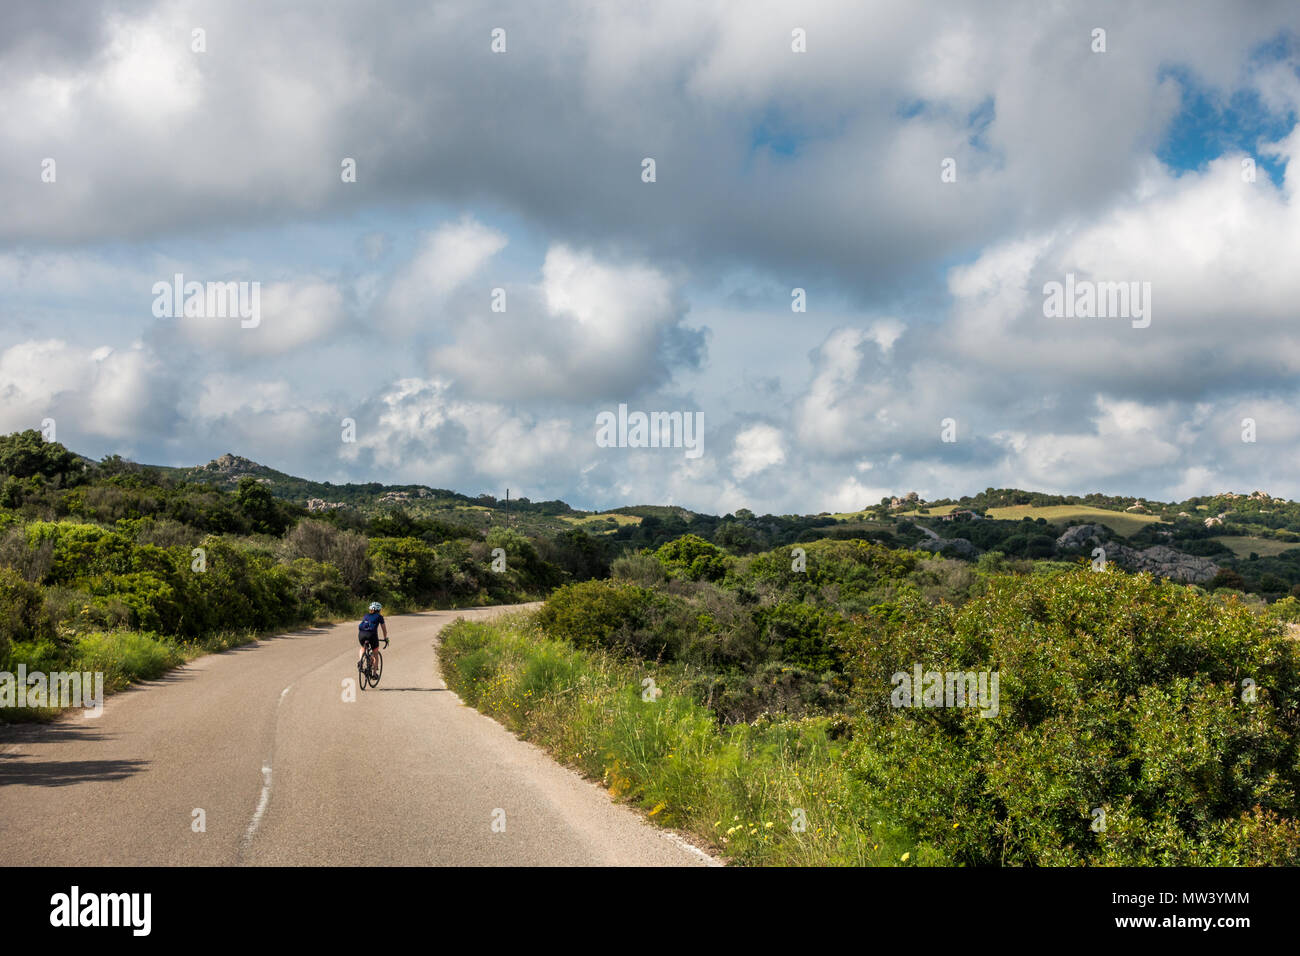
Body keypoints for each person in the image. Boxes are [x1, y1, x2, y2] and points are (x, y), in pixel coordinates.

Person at [358, 601, 388, 673]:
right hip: (371, 635)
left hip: (361, 634)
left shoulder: (366, 615)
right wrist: (385, 638)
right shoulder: (379, 617)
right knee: (375, 654)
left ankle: (360, 661)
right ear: (379, 610)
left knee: (363, 648)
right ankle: (374, 673)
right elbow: (384, 629)